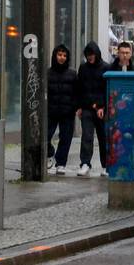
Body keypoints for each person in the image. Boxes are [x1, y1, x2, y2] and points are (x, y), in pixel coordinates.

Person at [76, 41, 110, 177]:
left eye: (92, 55)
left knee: (103, 138)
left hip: (101, 109)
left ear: (97, 54)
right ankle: (85, 163)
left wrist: (103, 107)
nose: (90, 57)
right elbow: (79, 88)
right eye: (88, 55)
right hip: (86, 108)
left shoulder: (106, 68)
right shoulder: (83, 68)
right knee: (87, 136)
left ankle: (106, 165)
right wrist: (78, 106)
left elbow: (107, 90)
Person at [46, 43, 78, 174]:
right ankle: (50, 153)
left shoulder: (72, 73)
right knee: (45, 136)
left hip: (67, 112)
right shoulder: (47, 73)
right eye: (59, 55)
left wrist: (74, 107)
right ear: (55, 56)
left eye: (64, 55)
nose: (62, 58)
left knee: (66, 138)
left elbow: (77, 92)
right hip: (51, 111)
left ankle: (61, 163)